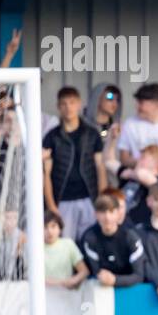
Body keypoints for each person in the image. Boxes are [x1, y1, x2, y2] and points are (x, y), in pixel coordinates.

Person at [42, 86, 107, 243]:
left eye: (72, 102)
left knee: (90, 242)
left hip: (89, 198)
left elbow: (100, 167)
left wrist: (102, 198)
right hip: (63, 200)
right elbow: (46, 173)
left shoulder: (92, 134)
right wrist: (51, 206)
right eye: (64, 104)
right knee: (66, 243)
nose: (68, 107)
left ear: (79, 104)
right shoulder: (52, 137)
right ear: (58, 107)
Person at [79, 194, 145, 288]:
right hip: (102, 290)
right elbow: (96, 273)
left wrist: (115, 280)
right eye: (102, 212)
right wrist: (104, 278)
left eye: (111, 211)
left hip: (130, 291)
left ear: (118, 213)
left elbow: (139, 276)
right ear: (96, 214)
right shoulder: (90, 238)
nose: (107, 217)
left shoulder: (130, 237)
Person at [43, 210, 88, 289]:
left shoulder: (68, 244)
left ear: (60, 228)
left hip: (66, 293)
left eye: (53, 226)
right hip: (43, 293)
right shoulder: (34, 248)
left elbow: (84, 271)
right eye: (45, 227)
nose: (49, 231)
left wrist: (73, 280)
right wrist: (60, 282)